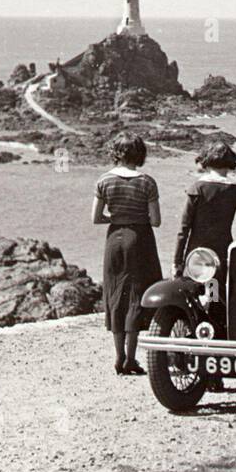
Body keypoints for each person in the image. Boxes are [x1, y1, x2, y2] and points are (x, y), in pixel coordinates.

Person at [92, 133, 163, 375]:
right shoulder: (147, 182)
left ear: (115, 153)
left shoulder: (104, 181)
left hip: (114, 239)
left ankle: (118, 355)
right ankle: (131, 359)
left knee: (115, 294)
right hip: (140, 239)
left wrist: (117, 217)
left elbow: (96, 218)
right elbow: (156, 221)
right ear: (140, 154)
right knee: (137, 296)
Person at [173, 141, 236, 290]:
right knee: (215, 294)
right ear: (230, 163)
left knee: (194, 296)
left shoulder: (197, 188)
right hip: (222, 252)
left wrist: (177, 261)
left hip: (196, 254)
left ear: (207, 162)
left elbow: (183, 229)